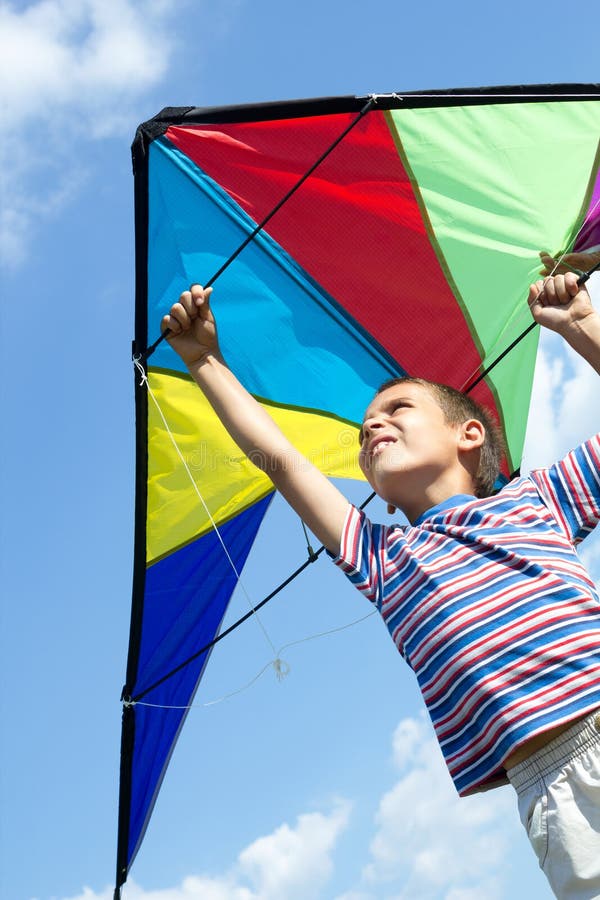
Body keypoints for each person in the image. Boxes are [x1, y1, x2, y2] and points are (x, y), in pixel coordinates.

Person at [163, 272, 600, 899]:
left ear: (468, 435)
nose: (372, 428)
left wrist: (582, 324)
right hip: (552, 790)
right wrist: (206, 361)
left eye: (396, 411)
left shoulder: (538, 501)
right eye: (365, 431)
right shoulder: (383, 560)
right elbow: (279, 459)